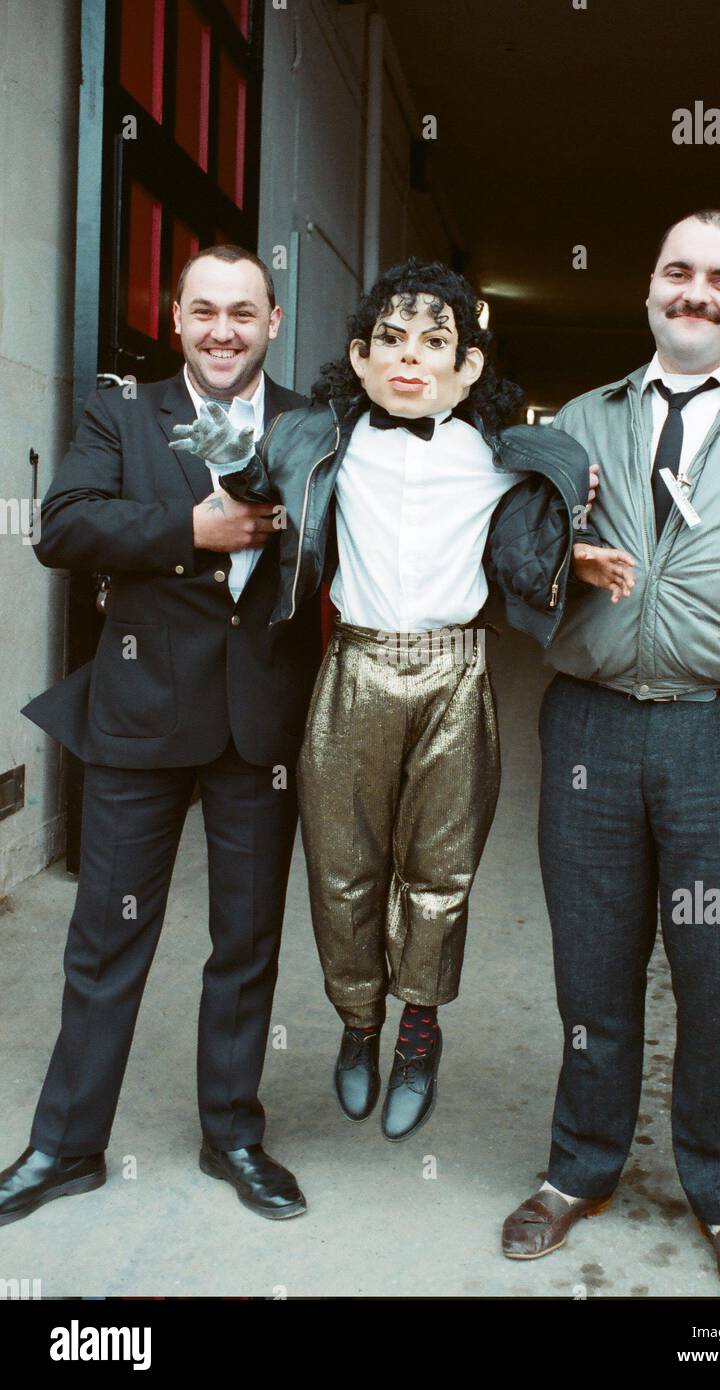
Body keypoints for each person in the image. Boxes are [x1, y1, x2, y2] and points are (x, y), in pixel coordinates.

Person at [171, 258, 626, 1143]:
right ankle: (358, 1023)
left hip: (456, 677)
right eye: (391, 340)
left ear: (470, 367)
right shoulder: (320, 442)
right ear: (360, 355)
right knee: (342, 870)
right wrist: (227, 459)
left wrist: (576, 548)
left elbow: (532, 536)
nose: (411, 357)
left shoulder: (506, 456)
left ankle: (419, 1030)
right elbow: (260, 490)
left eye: (436, 342)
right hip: (355, 672)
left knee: (439, 874)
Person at [501, 210, 720, 1297]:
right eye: (675, 272)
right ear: (649, 290)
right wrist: (560, 564)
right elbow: (512, 575)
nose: (694, 291)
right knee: (591, 973)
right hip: (591, 731)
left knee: (719, 981)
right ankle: (581, 1170)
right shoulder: (576, 421)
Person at [0, 245, 320, 1227]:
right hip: (141, 714)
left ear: (272, 321)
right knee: (107, 937)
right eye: (203, 311)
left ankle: (232, 1132)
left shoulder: (315, 424)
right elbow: (63, 527)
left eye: (243, 311)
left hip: (258, 721)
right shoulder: (123, 414)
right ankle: (66, 1143)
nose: (223, 329)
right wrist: (193, 530)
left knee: (247, 939)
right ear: (174, 318)